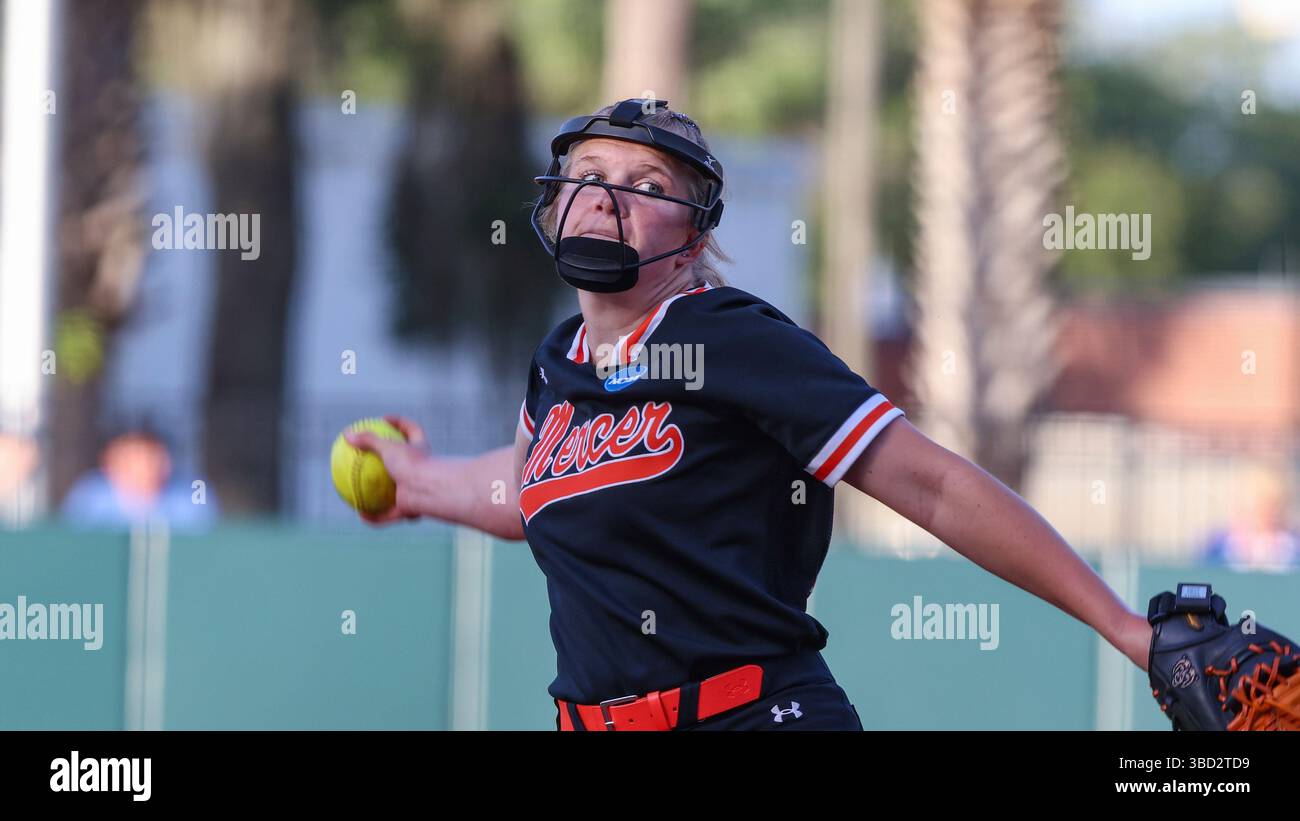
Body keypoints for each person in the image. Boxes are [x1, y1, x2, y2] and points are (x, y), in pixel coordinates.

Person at [345, 98, 1154, 731]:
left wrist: (1125, 627)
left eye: (648, 186)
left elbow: (933, 484)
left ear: (693, 240)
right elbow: (523, 484)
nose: (605, 196)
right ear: (555, 205)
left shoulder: (729, 336)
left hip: (753, 715)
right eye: (587, 172)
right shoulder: (560, 362)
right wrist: (413, 482)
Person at [61, 423, 219, 533]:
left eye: (150, 455)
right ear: (109, 462)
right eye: (132, 457)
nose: (143, 464)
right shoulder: (90, 496)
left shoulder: (191, 495)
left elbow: (205, 548)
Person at [1202, 462, 1299, 573]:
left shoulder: (1295, 547)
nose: (1266, 510)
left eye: (1273, 503)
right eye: (1259, 502)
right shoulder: (1217, 547)